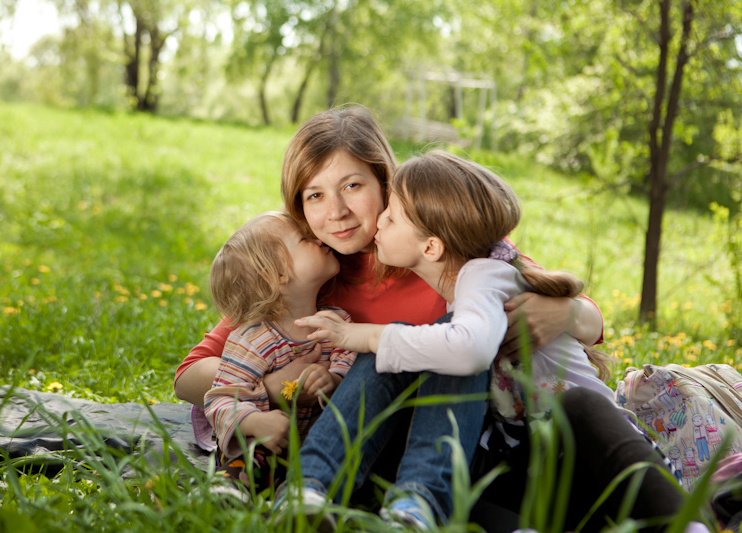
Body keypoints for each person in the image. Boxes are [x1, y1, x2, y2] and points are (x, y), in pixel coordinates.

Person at [290, 150, 707, 532]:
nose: (379, 220)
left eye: (391, 217)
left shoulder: (484, 273)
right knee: (465, 465)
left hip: (585, 460)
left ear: (432, 246)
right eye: (315, 195)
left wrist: (362, 335)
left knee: (578, 403)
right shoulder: (335, 269)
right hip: (525, 459)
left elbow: (469, 348)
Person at [174, 104, 605, 438]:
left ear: (385, 180)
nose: (336, 212)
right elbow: (190, 376)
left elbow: (588, 319)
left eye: (352, 186)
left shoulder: (435, 250)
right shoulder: (304, 274)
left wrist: (567, 313)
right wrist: (273, 385)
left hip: (463, 427)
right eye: (315, 196)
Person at [203, 211, 356, 497]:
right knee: (251, 455)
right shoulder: (251, 341)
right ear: (278, 275)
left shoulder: (337, 323)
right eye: (303, 238)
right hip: (267, 445)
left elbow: (352, 368)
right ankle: (229, 491)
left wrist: (333, 380)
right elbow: (220, 400)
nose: (316, 237)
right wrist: (255, 421)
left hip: (317, 448)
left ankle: (305, 492)